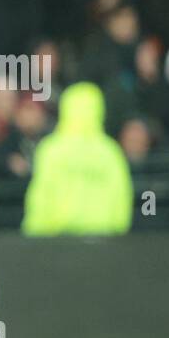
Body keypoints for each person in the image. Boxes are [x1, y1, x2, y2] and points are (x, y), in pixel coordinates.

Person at [22, 82, 133, 237]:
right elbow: (121, 196)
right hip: (103, 240)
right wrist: (119, 229)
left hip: (56, 241)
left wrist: (33, 231)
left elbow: (40, 195)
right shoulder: (110, 151)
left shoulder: (51, 148)